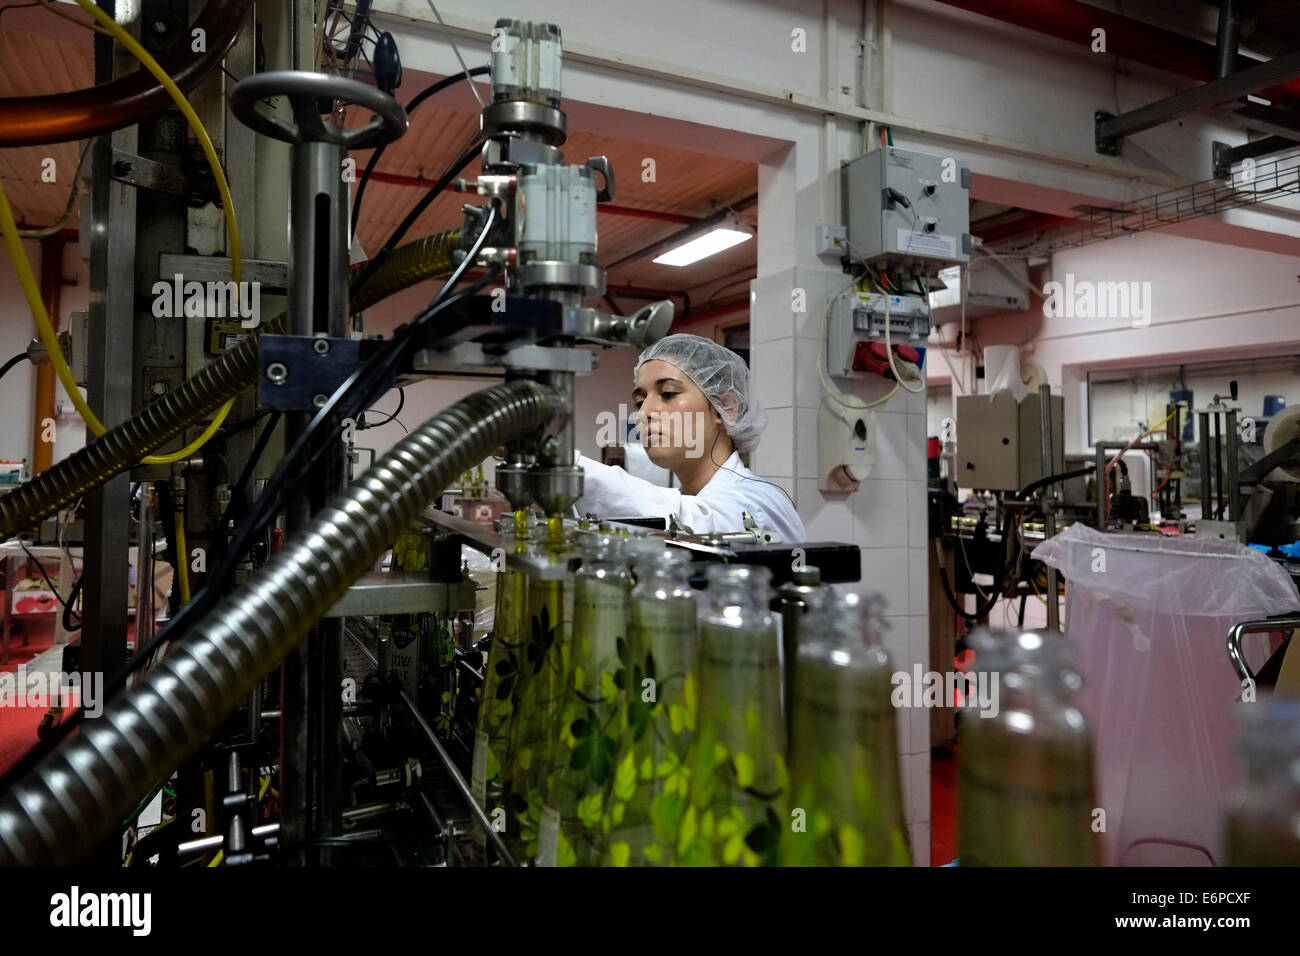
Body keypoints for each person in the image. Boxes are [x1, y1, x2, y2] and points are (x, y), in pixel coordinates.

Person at [574, 333, 807, 542]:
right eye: (639, 401)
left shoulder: (758, 503)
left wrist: (568, 467)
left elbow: (693, 522)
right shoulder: (689, 497)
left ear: (725, 407)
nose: (643, 413)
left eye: (668, 393)